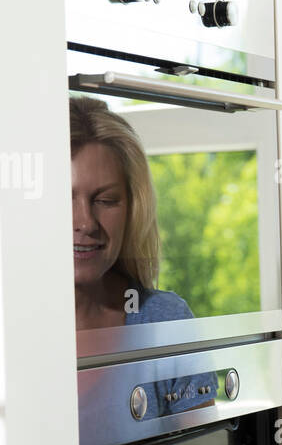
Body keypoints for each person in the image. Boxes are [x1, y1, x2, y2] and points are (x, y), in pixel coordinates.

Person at [70, 95, 214, 414]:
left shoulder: (164, 320)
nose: (85, 223)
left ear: (133, 210)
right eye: (64, 198)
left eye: (106, 201)